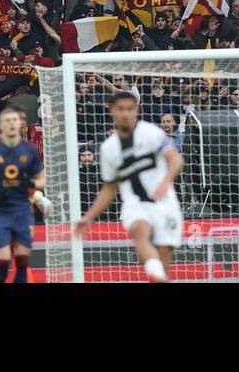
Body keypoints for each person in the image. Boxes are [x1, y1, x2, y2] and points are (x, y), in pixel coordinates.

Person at [75, 90, 184, 283]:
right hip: (135, 204)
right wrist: (88, 217)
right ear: (112, 112)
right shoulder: (108, 148)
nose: (125, 113)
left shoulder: (151, 132)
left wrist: (165, 180)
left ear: (137, 111)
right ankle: (155, 272)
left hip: (164, 202)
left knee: (164, 254)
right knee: (140, 231)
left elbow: (175, 159)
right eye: (120, 109)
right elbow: (109, 188)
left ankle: (158, 275)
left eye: (129, 109)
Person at [0, 106, 49, 283]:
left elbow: (40, 180)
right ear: (1, 125)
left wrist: (35, 191)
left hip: (22, 211)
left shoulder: (31, 150)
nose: (13, 123)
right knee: (0, 259)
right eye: (8, 120)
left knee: (21, 261)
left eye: (16, 120)